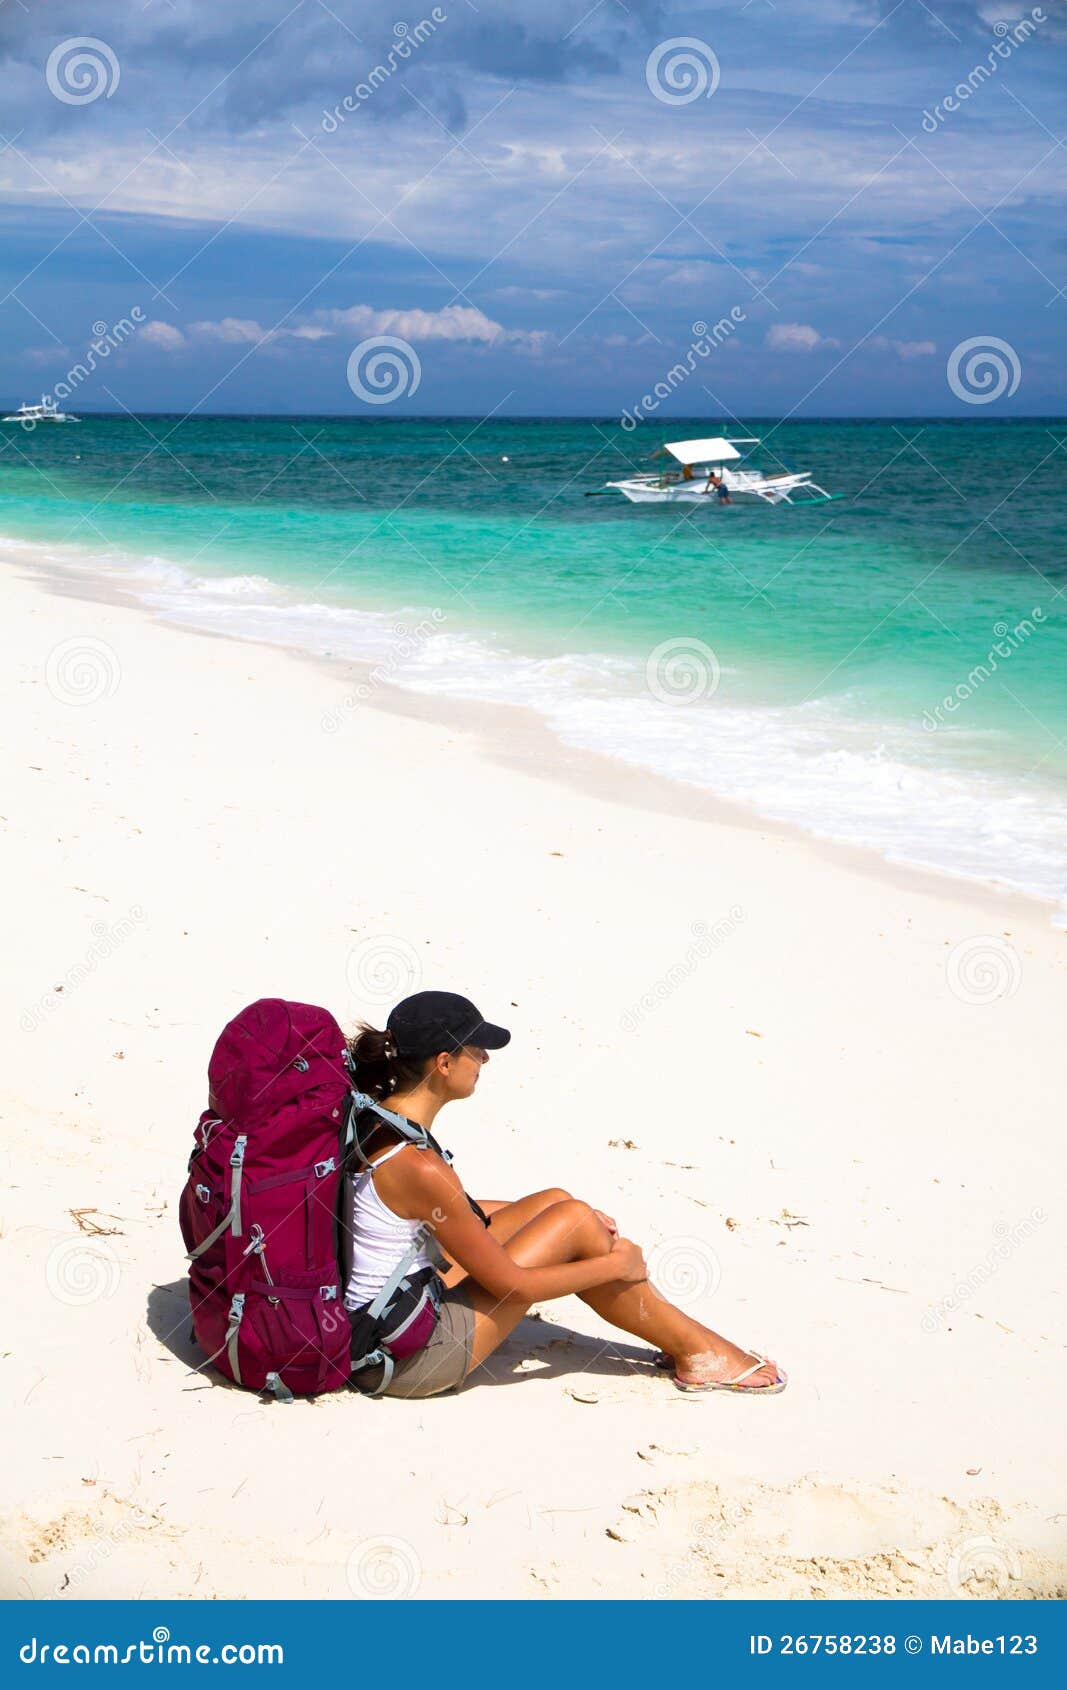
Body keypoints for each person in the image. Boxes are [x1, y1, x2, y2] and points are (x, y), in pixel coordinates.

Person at [343, 990, 785, 1400]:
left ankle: (680, 1338)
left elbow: (446, 1215)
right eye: (476, 1050)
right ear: (443, 1063)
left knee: (559, 1202)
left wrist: (556, 1218)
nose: (485, 1059)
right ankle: (698, 1352)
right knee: (574, 1223)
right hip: (410, 1357)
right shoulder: (420, 1166)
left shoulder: (375, 1119)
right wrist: (614, 1264)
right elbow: (512, 1285)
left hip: (386, 1315)